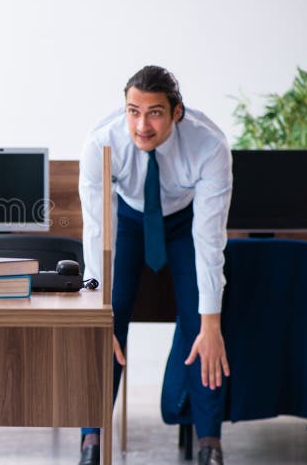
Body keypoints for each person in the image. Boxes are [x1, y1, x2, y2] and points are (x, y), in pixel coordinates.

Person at [77, 66, 231, 465]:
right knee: (109, 322)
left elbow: (210, 238)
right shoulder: (101, 143)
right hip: (127, 219)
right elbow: (97, 230)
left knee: (203, 326)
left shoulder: (209, 145)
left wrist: (211, 323)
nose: (142, 125)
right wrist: (99, 311)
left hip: (184, 222)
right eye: (133, 111)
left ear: (176, 112)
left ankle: (209, 443)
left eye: (155, 113)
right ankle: (91, 440)